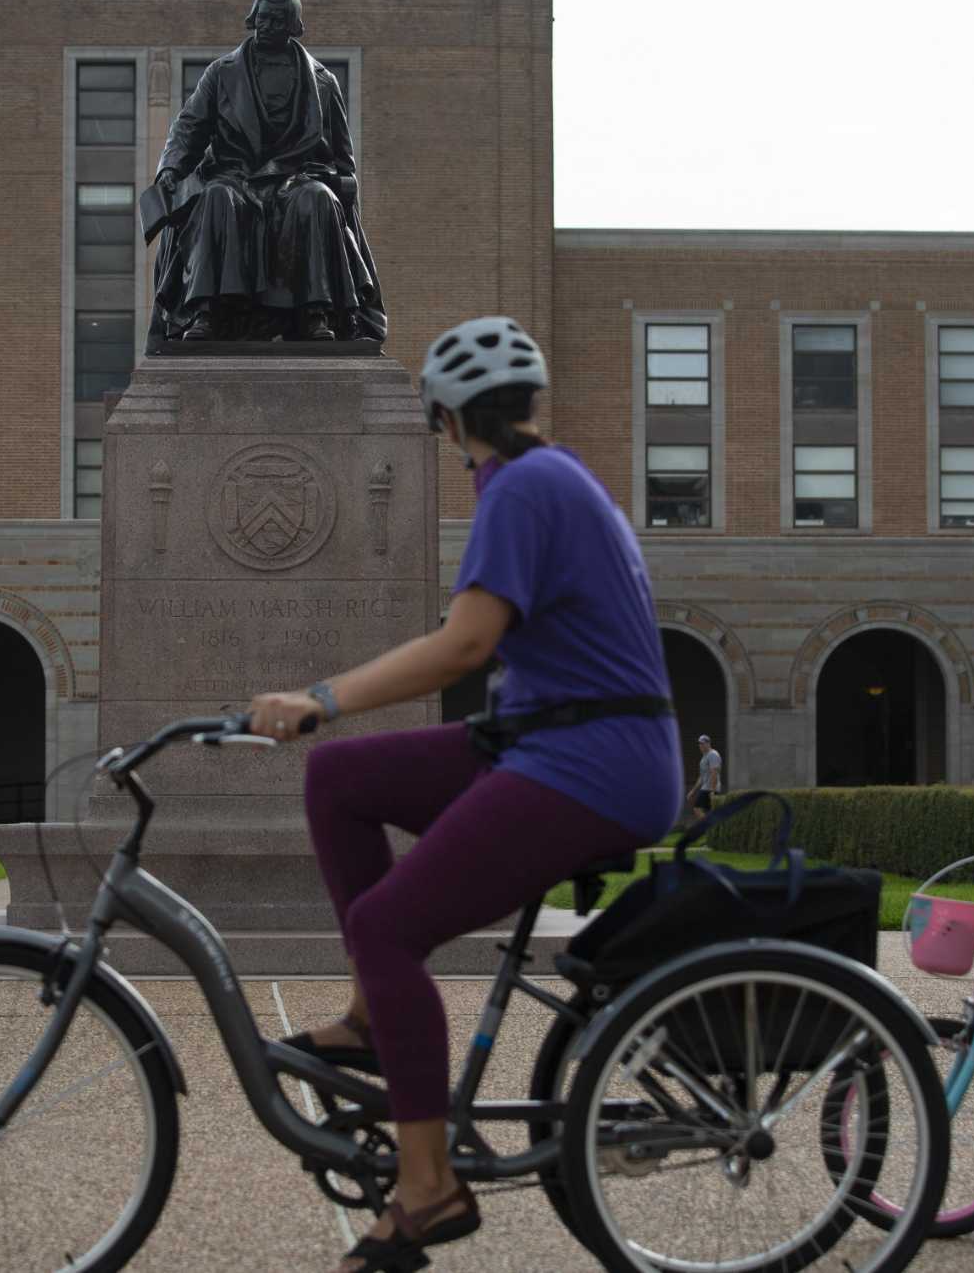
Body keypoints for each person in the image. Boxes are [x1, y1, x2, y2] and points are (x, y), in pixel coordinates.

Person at [246, 315, 682, 1273]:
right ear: (531, 404)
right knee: (341, 777)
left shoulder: (525, 487)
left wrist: (318, 697)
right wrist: (330, 725)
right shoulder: (543, 478)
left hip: (587, 762)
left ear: (443, 424)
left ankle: (429, 1190)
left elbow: (465, 644)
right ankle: (372, 1020)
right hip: (549, 740)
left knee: (390, 926)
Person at [148, 0, 388, 346]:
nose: (267, 27)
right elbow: (188, 127)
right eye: (262, 19)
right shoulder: (221, 73)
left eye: (277, 20)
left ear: (292, 25)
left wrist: (341, 181)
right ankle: (206, 312)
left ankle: (316, 313)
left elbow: (342, 157)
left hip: (296, 179)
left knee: (318, 199)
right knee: (217, 198)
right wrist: (169, 169)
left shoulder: (323, 82)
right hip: (235, 175)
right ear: (252, 19)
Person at [687, 733, 724, 819]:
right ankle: (711, 828)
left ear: (708, 743)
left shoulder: (713, 755)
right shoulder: (704, 758)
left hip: (709, 789)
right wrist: (693, 791)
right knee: (710, 812)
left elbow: (714, 773)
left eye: (703, 743)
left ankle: (708, 827)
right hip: (706, 787)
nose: (701, 745)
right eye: (699, 743)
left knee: (697, 809)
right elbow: (701, 777)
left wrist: (713, 791)